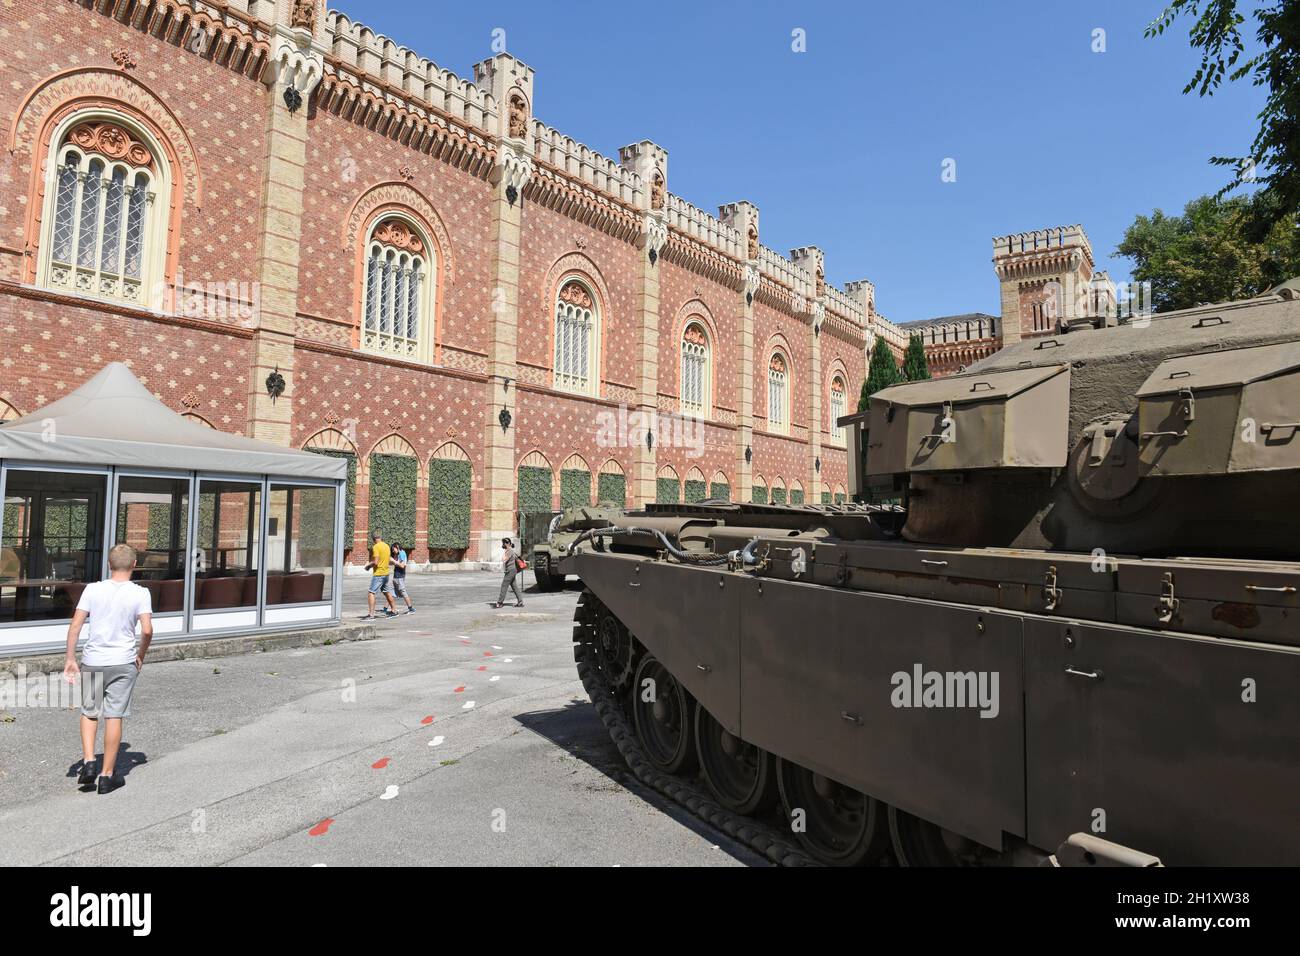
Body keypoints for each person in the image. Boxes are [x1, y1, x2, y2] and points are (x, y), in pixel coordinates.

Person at [62, 544, 153, 795]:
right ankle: (107, 776)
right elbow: (146, 630)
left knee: (89, 711)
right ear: (134, 565)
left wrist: (71, 658)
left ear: (109, 565)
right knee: (114, 715)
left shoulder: (92, 589)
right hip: (123, 661)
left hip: (93, 659)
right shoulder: (140, 593)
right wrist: (140, 655)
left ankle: (89, 761)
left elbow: (75, 625)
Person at [362, 530, 398, 620]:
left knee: (371, 592)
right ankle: (394, 610)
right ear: (381, 537)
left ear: (373, 538)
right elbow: (388, 559)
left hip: (379, 574)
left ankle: (371, 615)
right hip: (386, 573)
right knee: (386, 591)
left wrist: (368, 566)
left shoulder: (376, 547)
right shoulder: (386, 546)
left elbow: (376, 562)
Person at [493, 537, 525, 609]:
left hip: (510, 571)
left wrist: (505, 552)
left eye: (503, 543)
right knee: (514, 586)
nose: (503, 545)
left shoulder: (509, 551)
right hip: (512, 570)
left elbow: (504, 559)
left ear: (507, 544)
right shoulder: (510, 550)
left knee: (504, 585)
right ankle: (520, 602)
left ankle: (500, 602)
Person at [390, 541, 415, 615]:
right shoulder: (398, 554)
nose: (393, 551)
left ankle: (411, 609)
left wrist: (393, 561)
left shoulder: (402, 553)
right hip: (396, 575)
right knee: (391, 593)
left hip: (399, 576)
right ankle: (386, 608)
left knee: (403, 592)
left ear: (397, 547)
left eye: (393, 549)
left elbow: (402, 565)